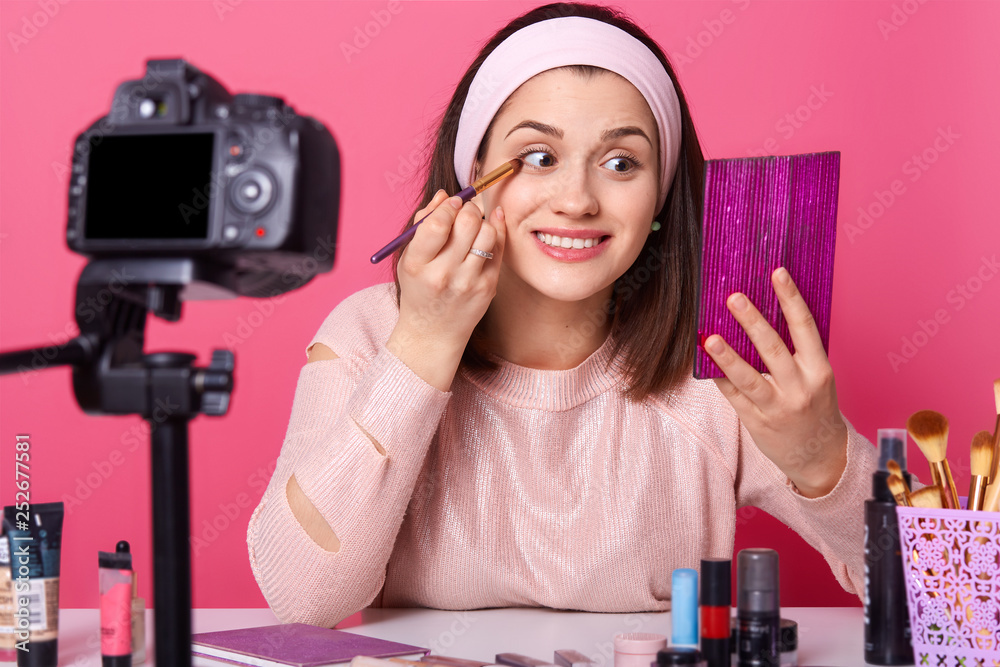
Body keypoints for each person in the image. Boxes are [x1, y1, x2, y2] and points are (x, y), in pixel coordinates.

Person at [247, 3, 875, 628]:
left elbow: (927, 593)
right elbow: (304, 600)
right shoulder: (369, 334)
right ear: (473, 175)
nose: (576, 201)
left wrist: (823, 458)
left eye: (621, 163)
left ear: (660, 195)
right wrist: (422, 342)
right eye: (539, 157)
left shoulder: (720, 361)